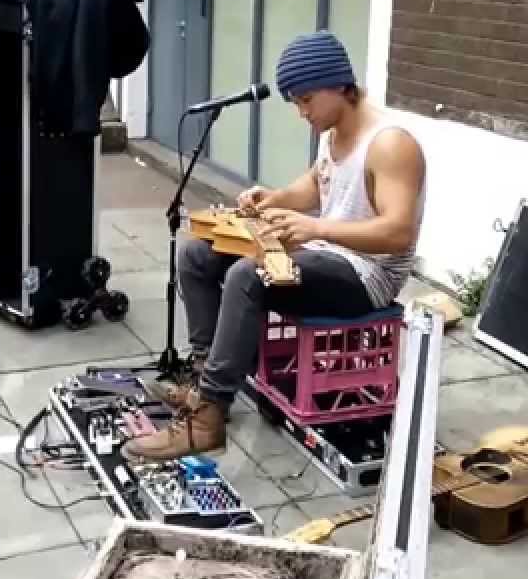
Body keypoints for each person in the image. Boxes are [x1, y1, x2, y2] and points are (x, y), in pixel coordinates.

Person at [121, 31, 427, 462]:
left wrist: (313, 227)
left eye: (305, 100)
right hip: (325, 252)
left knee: (248, 275)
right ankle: (205, 376)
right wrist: (273, 200)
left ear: (339, 85)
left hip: (367, 275)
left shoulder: (391, 144)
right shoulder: (334, 132)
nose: (301, 112)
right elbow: (317, 186)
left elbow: (398, 233)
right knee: (197, 255)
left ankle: (208, 418)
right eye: (295, 103)